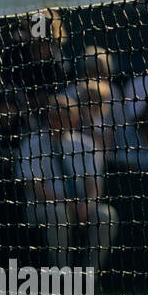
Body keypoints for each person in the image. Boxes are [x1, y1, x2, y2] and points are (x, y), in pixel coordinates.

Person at [15, 94, 118, 275]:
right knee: (58, 212)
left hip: (81, 207)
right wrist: (66, 203)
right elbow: (35, 187)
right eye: (53, 117)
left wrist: (87, 204)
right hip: (43, 208)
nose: (56, 122)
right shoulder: (32, 144)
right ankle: (63, 276)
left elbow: (94, 184)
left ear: (74, 120)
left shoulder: (86, 145)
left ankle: (89, 276)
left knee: (106, 215)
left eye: (63, 117)